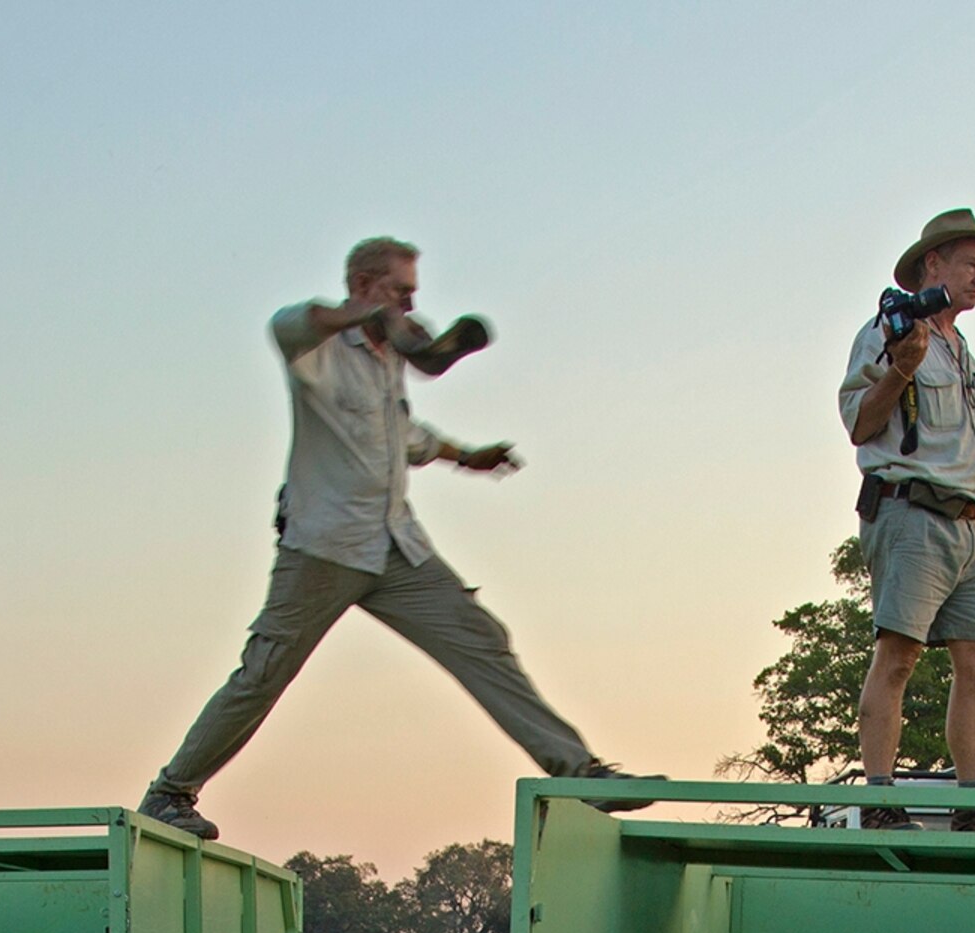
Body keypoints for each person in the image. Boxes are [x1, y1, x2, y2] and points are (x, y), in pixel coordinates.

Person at [139, 236, 643, 841]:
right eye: (399, 291)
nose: (410, 302)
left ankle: (578, 772)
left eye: (412, 293)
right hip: (322, 548)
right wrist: (366, 318)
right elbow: (290, 323)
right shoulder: (319, 347)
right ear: (362, 285)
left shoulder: (389, 358)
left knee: (482, 638)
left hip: (397, 549)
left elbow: (403, 434)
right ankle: (170, 794)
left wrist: (467, 456)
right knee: (262, 675)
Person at [841, 208, 975, 827]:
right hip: (911, 513)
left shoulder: (962, 348)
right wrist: (902, 368)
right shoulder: (890, 331)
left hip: (973, 527)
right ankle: (880, 799)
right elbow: (860, 423)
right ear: (932, 264)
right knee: (899, 656)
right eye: (971, 264)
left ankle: (973, 805)